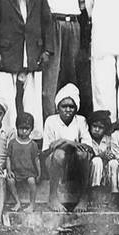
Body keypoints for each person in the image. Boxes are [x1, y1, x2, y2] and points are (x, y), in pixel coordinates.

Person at [31, 0, 87, 119]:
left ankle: (70, 119)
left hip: (73, 27)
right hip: (51, 26)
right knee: (51, 77)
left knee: (71, 74)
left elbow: (82, 5)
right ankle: (49, 119)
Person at [41, 83, 96, 211]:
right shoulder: (51, 121)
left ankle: (83, 198)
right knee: (59, 154)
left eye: (71, 107)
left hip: (75, 166)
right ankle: (53, 197)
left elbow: (89, 148)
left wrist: (64, 142)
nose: (67, 110)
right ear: (58, 107)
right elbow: (45, 151)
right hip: (56, 164)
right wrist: (69, 143)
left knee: (83, 154)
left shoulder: (80, 120)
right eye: (64, 106)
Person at [7, 111, 41, 210]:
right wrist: (9, 170)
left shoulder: (33, 144)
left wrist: (39, 173)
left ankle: (32, 204)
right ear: (17, 128)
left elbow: (36, 159)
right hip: (16, 172)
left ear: (31, 129)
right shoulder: (12, 143)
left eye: (27, 129)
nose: (24, 131)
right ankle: (17, 202)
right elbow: (8, 157)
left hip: (29, 172)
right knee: (10, 181)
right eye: (21, 128)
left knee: (31, 182)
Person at [87, 109, 115, 197]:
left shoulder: (109, 139)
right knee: (97, 161)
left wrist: (110, 156)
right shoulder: (87, 139)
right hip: (91, 173)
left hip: (106, 172)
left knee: (113, 163)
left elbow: (113, 153)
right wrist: (100, 155)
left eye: (101, 127)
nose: (97, 129)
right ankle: (95, 191)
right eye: (94, 126)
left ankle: (114, 193)